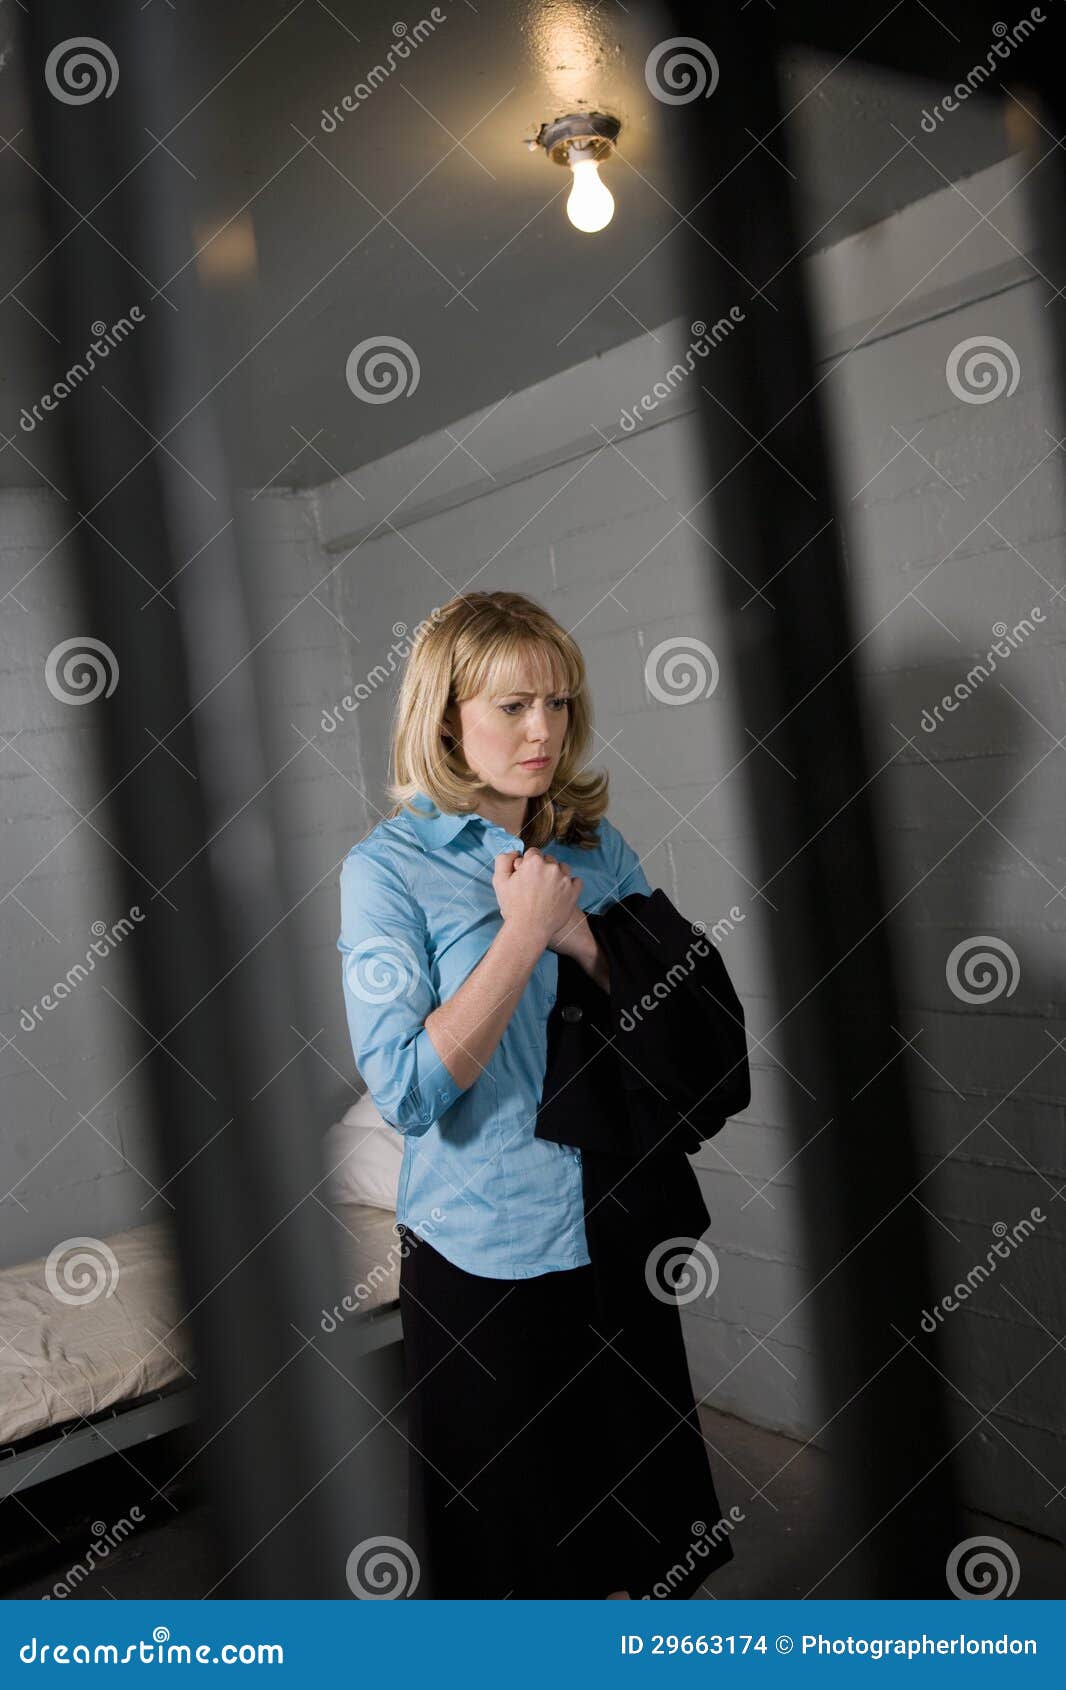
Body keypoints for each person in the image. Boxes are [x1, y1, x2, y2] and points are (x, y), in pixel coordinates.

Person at [337, 590, 714, 1599]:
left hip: (616, 1231)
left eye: (557, 702)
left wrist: (581, 931)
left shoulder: (598, 846)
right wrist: (516, 933)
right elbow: (409, 1090)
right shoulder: (387, 871)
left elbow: (678, 1021)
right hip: (483, 1260)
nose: (541, 728)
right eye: (510, 705)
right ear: (447, 715)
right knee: (515, 1553)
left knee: (639, 1536)